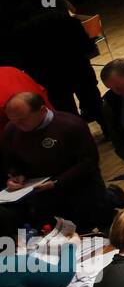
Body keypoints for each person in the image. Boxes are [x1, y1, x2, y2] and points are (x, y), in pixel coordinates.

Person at [3, 92, 113, 232]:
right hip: (47, 197)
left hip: (84, 190)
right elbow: (12, 160)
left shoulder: (70, 125)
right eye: (12, 120)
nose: (17, 124)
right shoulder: (11, 130)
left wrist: (57, 182)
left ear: (42, 111)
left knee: (106, 230)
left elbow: (88, 161)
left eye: (22, 119)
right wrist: (16, 175)